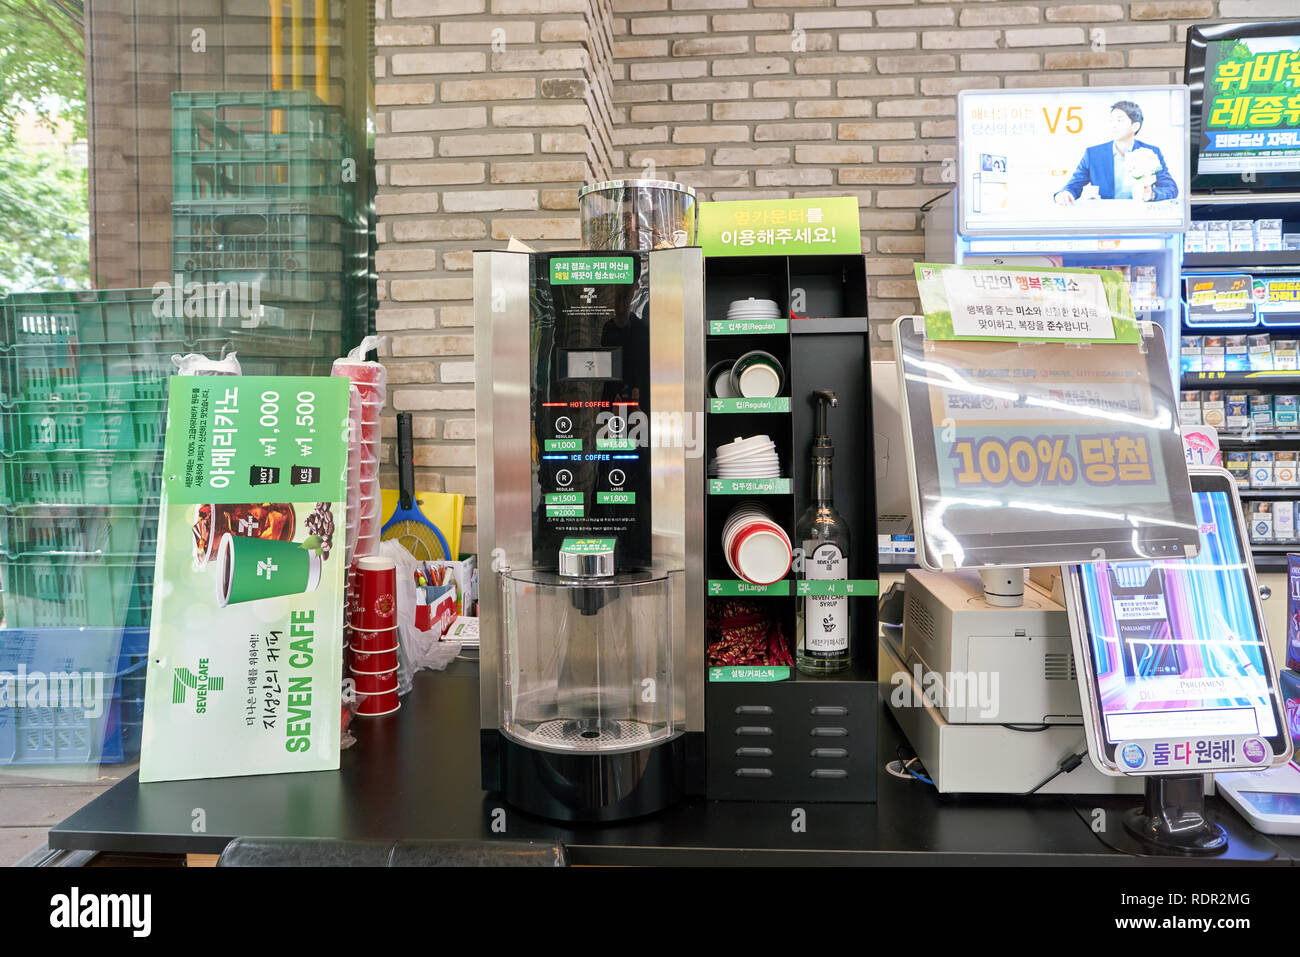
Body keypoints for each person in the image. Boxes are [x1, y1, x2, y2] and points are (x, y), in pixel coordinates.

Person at [1053, 100, 1178, 204]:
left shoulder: (1150, 152)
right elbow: (1074, 186)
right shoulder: (1093, 154)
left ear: (1135, 126)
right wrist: (1064, 194)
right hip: (1106, 218)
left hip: (1141, 215)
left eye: (1120, 120)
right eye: (1112, 120)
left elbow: (1171, 188)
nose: (1114, 125)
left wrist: (1152, 194)